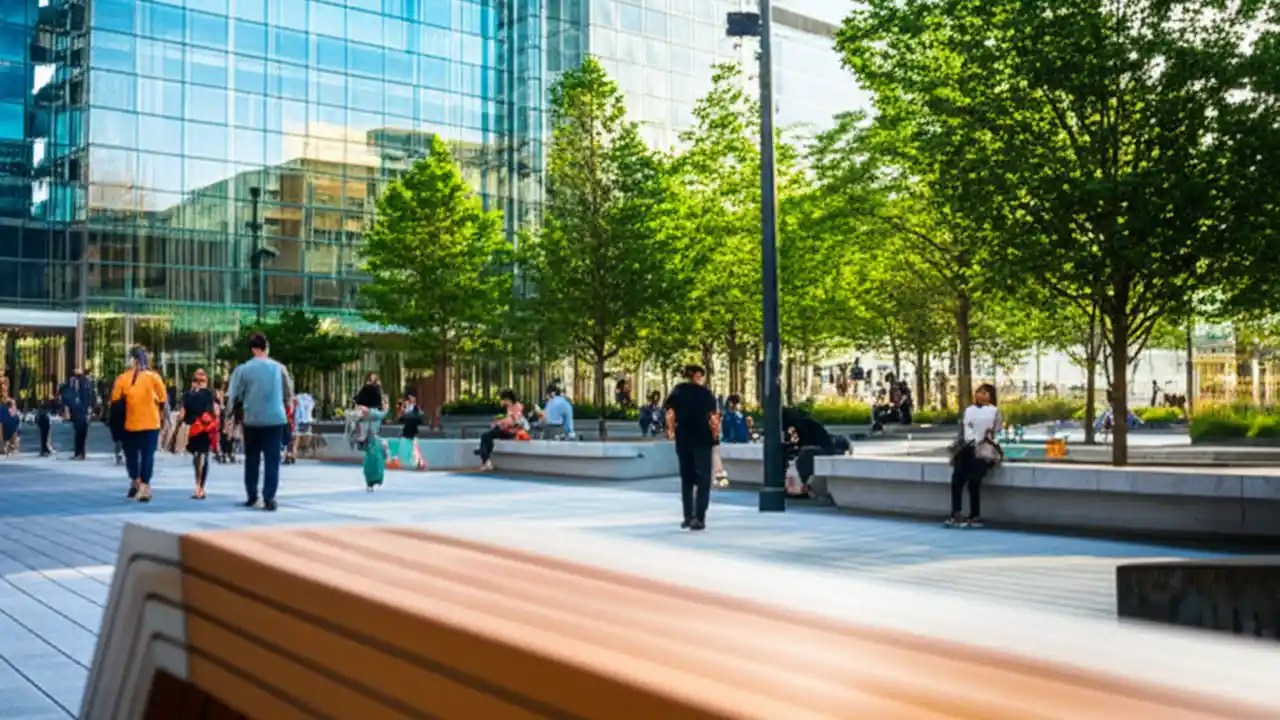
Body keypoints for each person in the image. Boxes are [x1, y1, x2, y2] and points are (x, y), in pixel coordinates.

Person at [227, 333, 295, 512]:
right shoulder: (279, 368)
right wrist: (286, 407)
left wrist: (230, 414)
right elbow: (289, 394)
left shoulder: (243, 369)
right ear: (267, 347)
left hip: (253, 419)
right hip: (275, 419)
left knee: (252, 459)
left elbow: (234, 395)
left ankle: (252, 495)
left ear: (252, 349)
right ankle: (269, 497)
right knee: (272, 459)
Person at [664, 365, 719, 531]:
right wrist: (715, 438)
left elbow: (670, 414)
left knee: (686, 479)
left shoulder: (677, 391)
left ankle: (688, 516)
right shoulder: (706, 394)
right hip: (702, 439)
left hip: (684, 439)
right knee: (703, 480)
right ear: (697, 375)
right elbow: (713, 419)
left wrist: (671, 432)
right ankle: (699, 518)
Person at [110, 347, 167, 502]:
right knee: (148, 456)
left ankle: (136, 481)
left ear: (132, 360)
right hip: (151, 424)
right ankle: (144, 485)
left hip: (130, 425)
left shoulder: (122, 379)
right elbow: (163, 400)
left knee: (131, 456)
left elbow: (114, 404)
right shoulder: (154, 377)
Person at [948, 383, 1003, 529]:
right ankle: (956, 512)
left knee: (974, 481)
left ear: (990, 396)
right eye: (979, 392)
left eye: (985, 393)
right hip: (967, 448)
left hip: (984, 450)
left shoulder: (994, 411)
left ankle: (975, 514)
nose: (981, 395)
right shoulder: (969, 410)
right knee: (957, 479)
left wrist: (989, 437)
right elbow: (963, 431)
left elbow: (998, 432)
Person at [182, 369, 217, 500]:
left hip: (204, 428)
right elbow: (186, 412)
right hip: (196, 428)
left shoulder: (208, 394)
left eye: (202, 380)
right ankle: (199, 486)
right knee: (199, 456)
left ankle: (199, 486)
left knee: (202, 456)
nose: (200, 383)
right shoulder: (189, 395)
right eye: (197, 380)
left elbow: (210, 410)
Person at [476, 389, 523, 471]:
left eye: (503, 400)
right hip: (505, 430)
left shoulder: (517, 406)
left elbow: (514, 422)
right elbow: (508, 420)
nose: (501, 402)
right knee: (486, 437)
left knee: (485, 436)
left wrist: (501, 423)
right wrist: (499, 422)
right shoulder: (509, 407)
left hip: (511, 432)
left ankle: (485, 458)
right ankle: (486, 460)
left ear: (507, 399)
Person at [60, 368, 95, 459]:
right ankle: (80, 452)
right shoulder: (73, 384)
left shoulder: (83, 383)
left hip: (81, 409)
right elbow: (66, 396)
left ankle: (80, 452)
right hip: (78, 409)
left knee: (81, 431)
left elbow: (90, 396)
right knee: (80, 430)